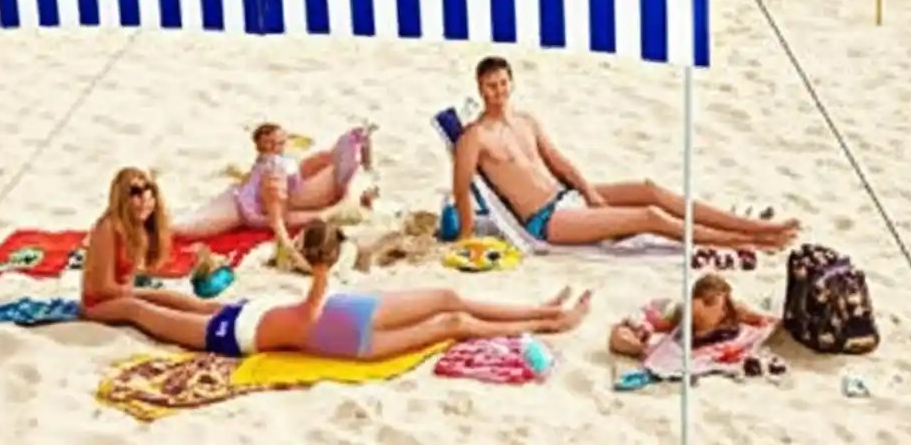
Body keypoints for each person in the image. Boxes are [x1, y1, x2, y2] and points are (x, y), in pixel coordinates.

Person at [87, 219, 593, 360]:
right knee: (452, 319)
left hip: (292, 320)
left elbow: (308, 310)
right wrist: (321, 275)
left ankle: (545, 313)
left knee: (449, 304)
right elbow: (307, 312)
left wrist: (320, 275)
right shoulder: (315, 294)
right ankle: (549, 319)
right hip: (326, 326)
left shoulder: (316, 292)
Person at [451, 56, 800, 249]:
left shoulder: (527, 121)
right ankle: (745, 240)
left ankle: (758, 226)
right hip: (547, 220)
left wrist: (589, 193)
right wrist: (466, 233)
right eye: (490, 86)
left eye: (502, 83)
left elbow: (560, 164)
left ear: (511, 83)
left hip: (568, 197)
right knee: (648, 215)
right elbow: (462, 187)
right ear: (480, 89)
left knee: (649, 189)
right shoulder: (475, 136)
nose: (498, 91)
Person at [173, 122, 378, 253]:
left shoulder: (285, 165)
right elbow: (277, 216)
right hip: (250, 204)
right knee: (188, 226)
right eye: (277, 143)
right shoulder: (276, 170)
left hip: (257, 198)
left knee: (190, 223)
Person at [81, 167, 223, 318]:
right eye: (135, 193)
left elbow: (139, 272)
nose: (144, 202)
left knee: (170, 298)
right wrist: (140, 293)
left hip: (121, 295)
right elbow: (103, 288)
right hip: (97, 304)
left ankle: (228, 311)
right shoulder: (108, 228)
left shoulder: (138, 229)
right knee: (139, 306)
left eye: (149, 195)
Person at [608, 273, 776, 358]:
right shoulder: (683, 314)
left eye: (710, 302)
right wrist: (641, 336)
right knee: (621, 338)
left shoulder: (734, 313)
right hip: (669, 322)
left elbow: (770, 322)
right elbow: (652, 323)